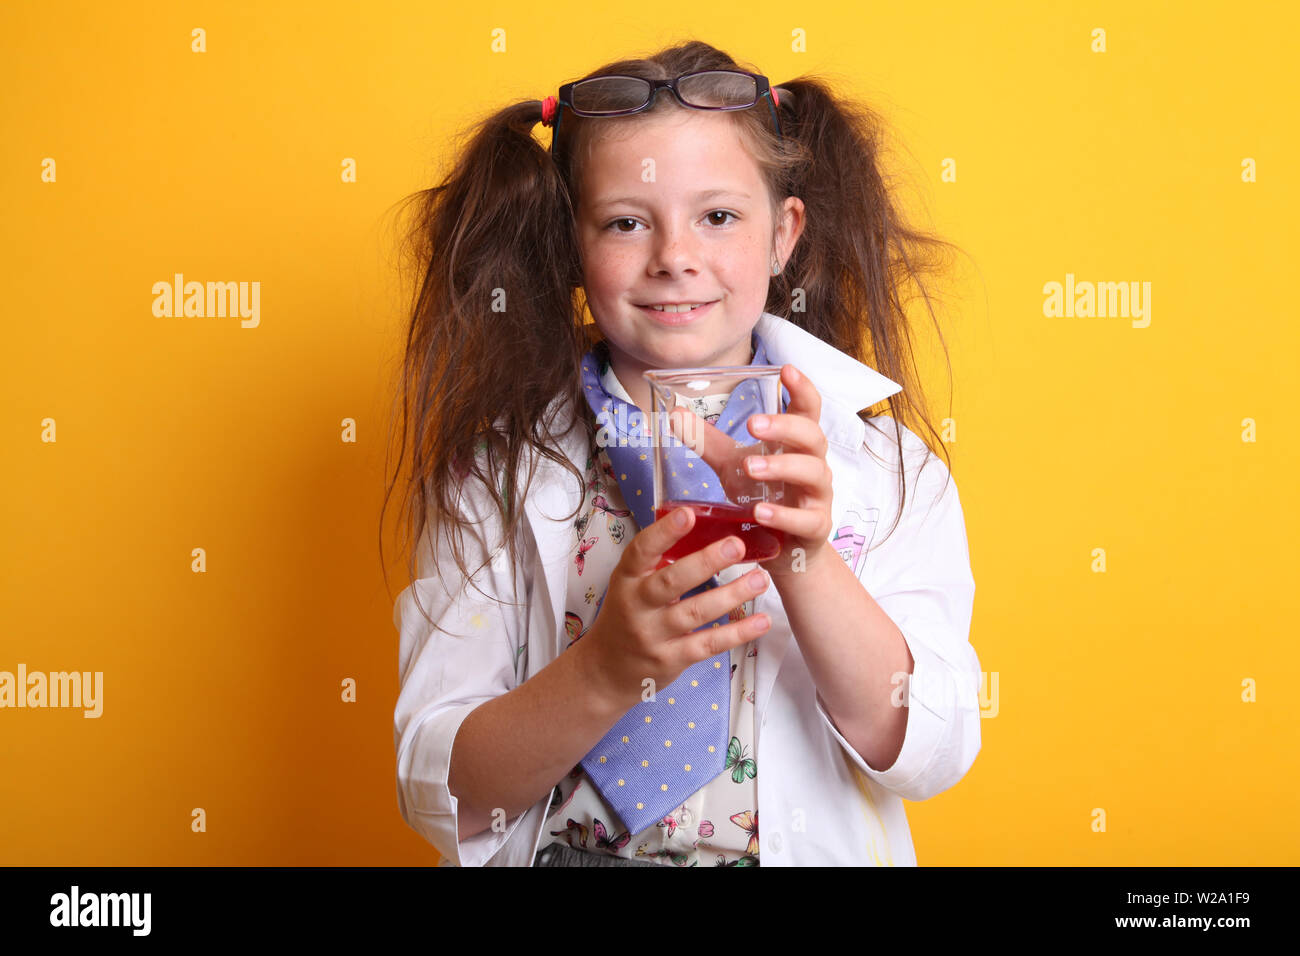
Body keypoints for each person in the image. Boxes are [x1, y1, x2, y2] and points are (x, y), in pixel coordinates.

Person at [387, 40, 982, 867]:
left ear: (783, 235)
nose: (674, 257)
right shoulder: (492, 475)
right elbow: (445, 787)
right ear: (570, 246)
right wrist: (603, 670)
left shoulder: (884, 468)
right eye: (626, 222)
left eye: (719, 217)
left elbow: (927, 751)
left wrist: (807, 558)